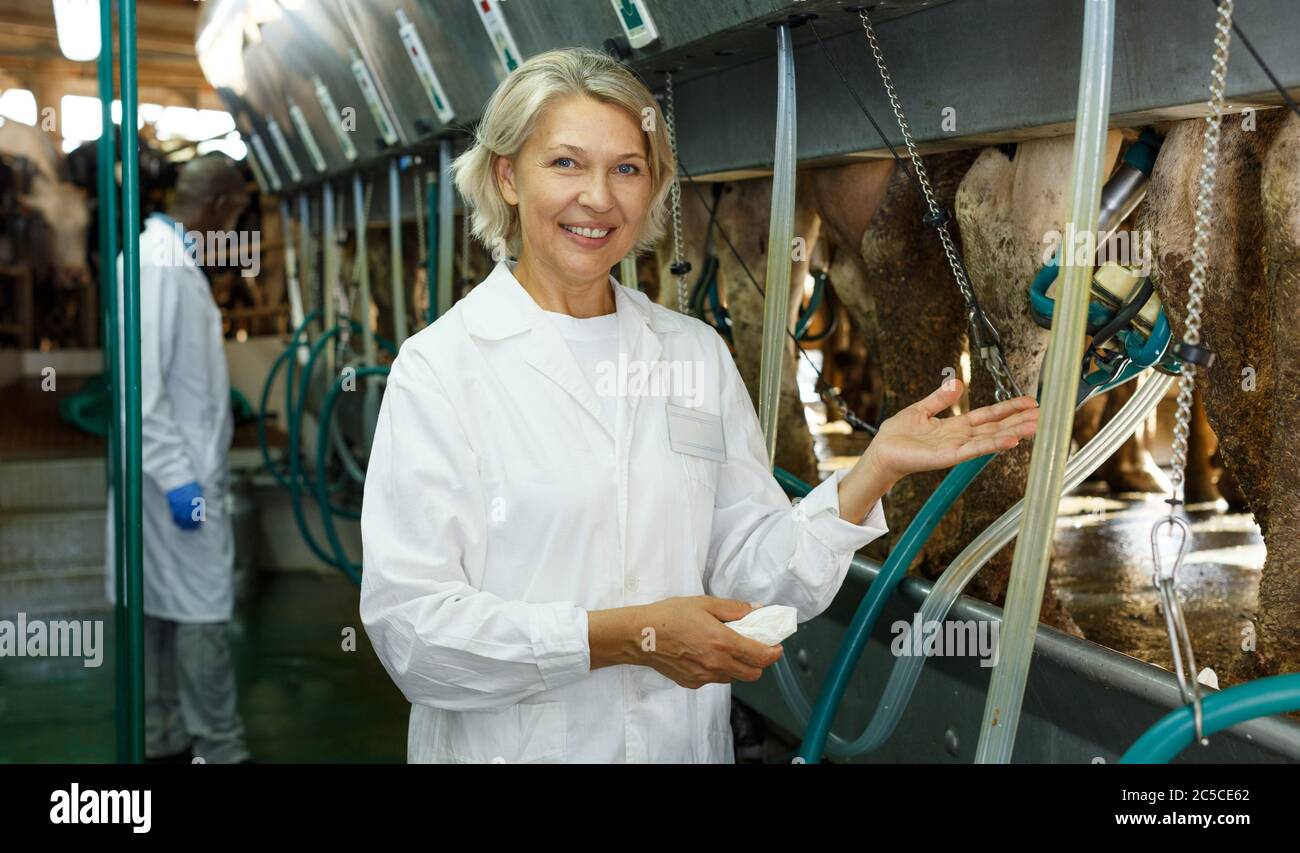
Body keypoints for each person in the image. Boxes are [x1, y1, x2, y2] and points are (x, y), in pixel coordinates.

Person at [359, 48, 1039, 763]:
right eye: (565, 163)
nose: (599, 197)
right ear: (506, 176)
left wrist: (873, 470)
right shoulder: (441, 369)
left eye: (627, 168)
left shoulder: (692, 355)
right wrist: (633, 635)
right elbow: (415, 635)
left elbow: (753, 571)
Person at [106, 153, 252, 764]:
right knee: (201, 611)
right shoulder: (155, 263)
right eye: (235, 219)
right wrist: (177, 479)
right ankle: (219, 750)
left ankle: (165, 740)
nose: (233, 238)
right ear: (217, 208)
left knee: (166, 609)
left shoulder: (165, 262)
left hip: (176, 474)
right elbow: (140, 387)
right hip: (174, 480)